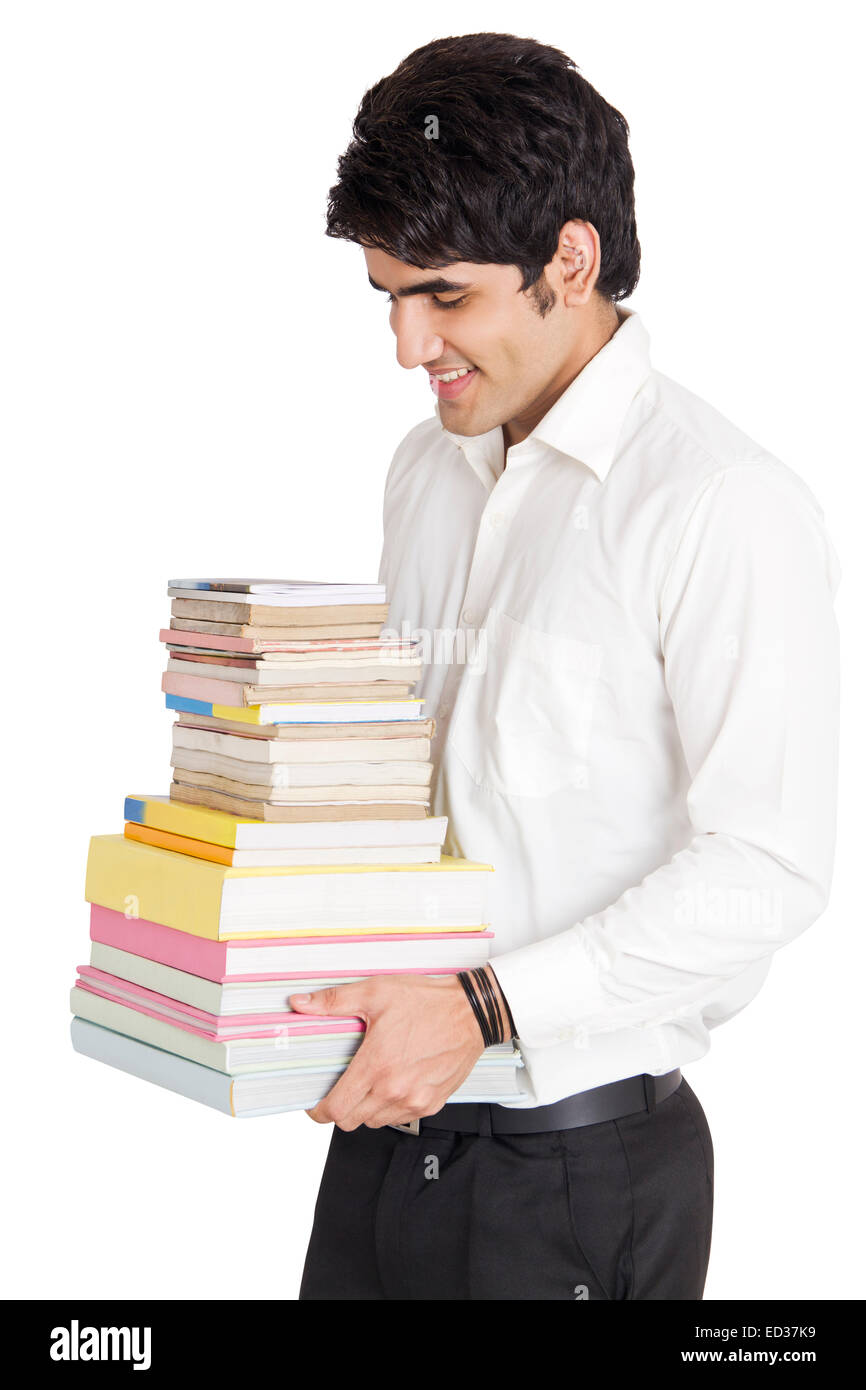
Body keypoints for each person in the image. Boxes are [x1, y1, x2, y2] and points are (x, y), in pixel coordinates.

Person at [291, 32, 840, 1300]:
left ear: (568, 261)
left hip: (576, 1173)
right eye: (385, 296)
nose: (403, 345)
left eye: (442, 296)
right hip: (382, 1132)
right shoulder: (425, 469)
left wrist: (485, 1006)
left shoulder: (720, 505)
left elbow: (768, 868)